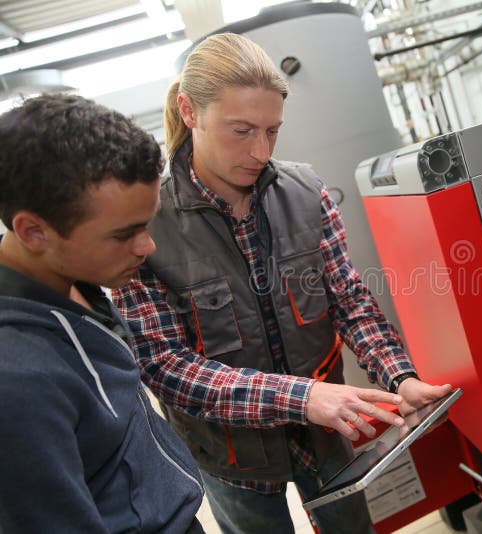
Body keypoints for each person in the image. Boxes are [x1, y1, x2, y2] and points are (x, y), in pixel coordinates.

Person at [112, 32, 452, 534]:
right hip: (232, 458)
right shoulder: (148, 222)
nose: (260, 150)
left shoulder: (305, 190)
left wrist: (399, 376)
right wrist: (302, 398)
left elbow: (349, 301)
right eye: (242, 130)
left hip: (326, 436)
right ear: (189, 111)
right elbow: (165, 366)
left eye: (272, 130)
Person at [0, 94, 205, 533]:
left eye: (146, 224)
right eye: (123, 235)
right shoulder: (17, 380)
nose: (147, 247)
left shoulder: (75, 278)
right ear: (34, 231)